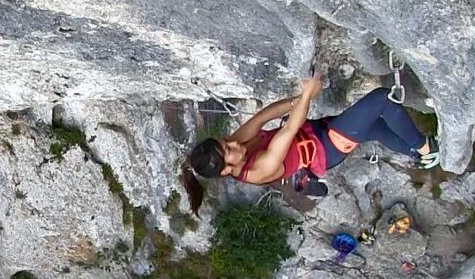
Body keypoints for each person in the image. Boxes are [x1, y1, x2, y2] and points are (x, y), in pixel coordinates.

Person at [181, 76, 440, 215]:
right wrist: (307, 95)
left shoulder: (234, 146)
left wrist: (297, 100)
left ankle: (417, 154)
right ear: (227, 170)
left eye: (225, 140)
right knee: (381, 101)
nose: (233, 142)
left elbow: (262, 117)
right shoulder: (258, 169)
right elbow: (288, 130)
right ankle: (425, 147)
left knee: (374, 129)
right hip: (327, 148)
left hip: (316, 132)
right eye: (228, 149)